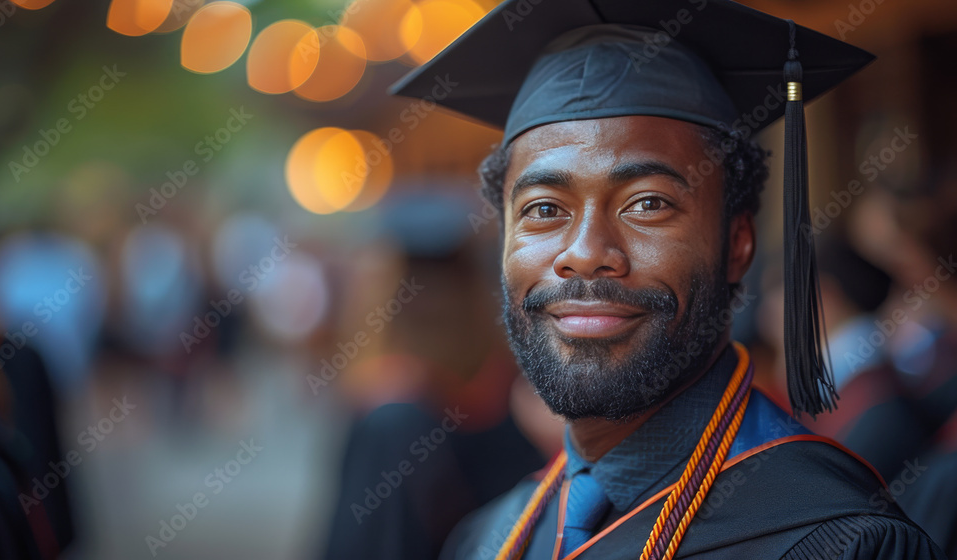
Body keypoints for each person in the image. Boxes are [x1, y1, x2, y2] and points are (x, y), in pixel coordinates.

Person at [389, 0, 945, 558]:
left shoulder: (835, 540)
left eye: (647, 203)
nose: (584, 254)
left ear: (737, 243)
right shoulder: (488, 539)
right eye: (543, 209)